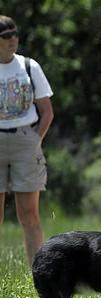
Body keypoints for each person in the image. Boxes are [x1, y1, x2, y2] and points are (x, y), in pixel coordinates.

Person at [0, 15, 54, 268]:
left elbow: (47, 111)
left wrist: (35, 140)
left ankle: (38, 272)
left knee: (29, 215)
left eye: (15, 34)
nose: (12, 40)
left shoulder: (30, 66)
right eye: (5, 36)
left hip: (25, 139)